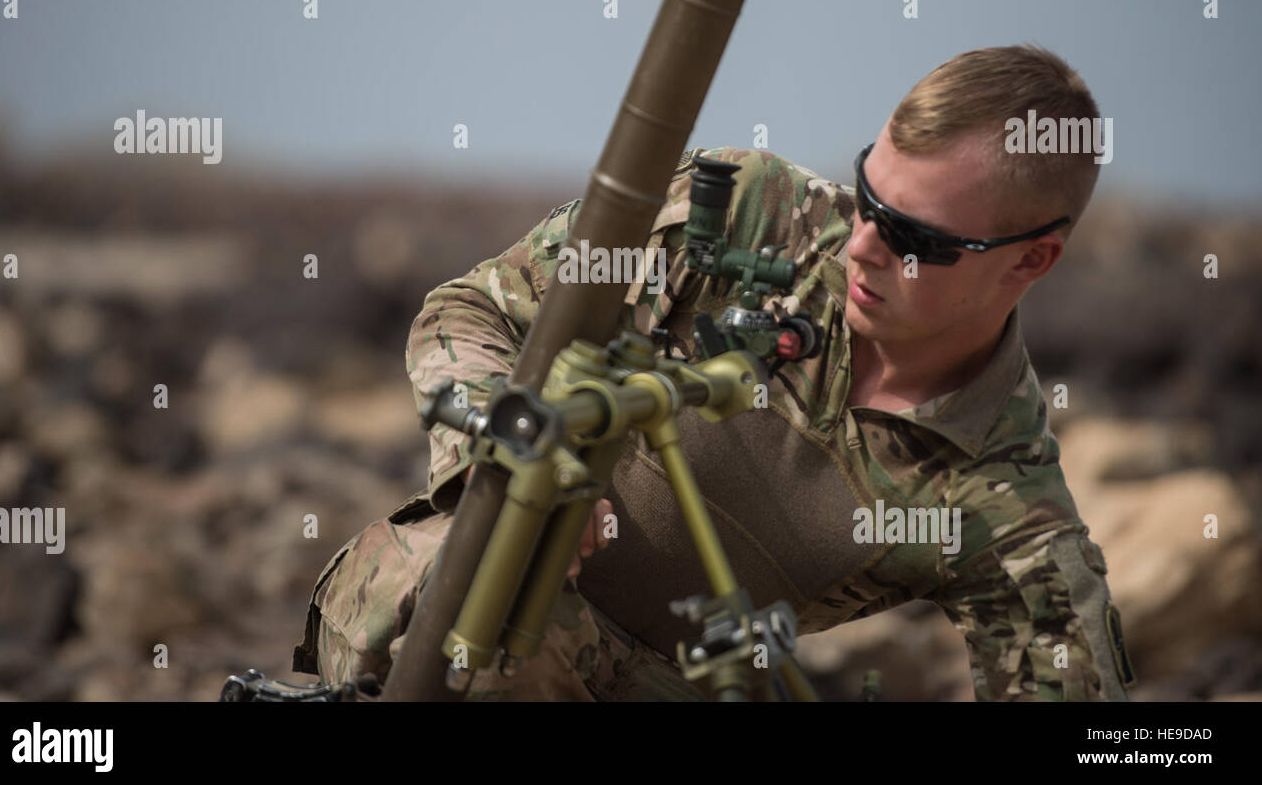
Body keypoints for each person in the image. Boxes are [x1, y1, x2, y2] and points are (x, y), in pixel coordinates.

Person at [292, 43, 1137, 701]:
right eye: (868, 199)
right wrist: (503, 450)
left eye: (917, 239)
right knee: (495, 591)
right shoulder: (752, 213)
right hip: (419, 613)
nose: (863, 247)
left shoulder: (1002, 500)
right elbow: (473, 308)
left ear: (1033, 259)